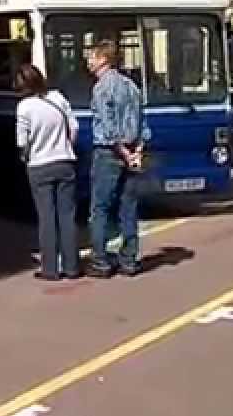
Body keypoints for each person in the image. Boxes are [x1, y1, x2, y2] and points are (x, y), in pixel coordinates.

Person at [85, 40, 147, 278]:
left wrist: (123, 152)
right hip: (132, 149)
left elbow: (109, 129)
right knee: (128, 206)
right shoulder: (131, 86)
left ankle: (100, 260)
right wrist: (136, 152)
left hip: (109, 152)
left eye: (91, 57)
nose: (88, 62)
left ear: (103, 60)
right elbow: (143, 123)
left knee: (100, 208)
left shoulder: (102, 88)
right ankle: (129, 259)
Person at [14, 64, 80, 281]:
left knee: (47, 217)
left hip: (40, 165)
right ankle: (72, 267)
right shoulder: (58, 97)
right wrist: (65, 146)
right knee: (67, 216)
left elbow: (22, 142)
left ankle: (50, 269)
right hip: (65, 161)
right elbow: (74, 127)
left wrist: (26, 156)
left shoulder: (24, 107)